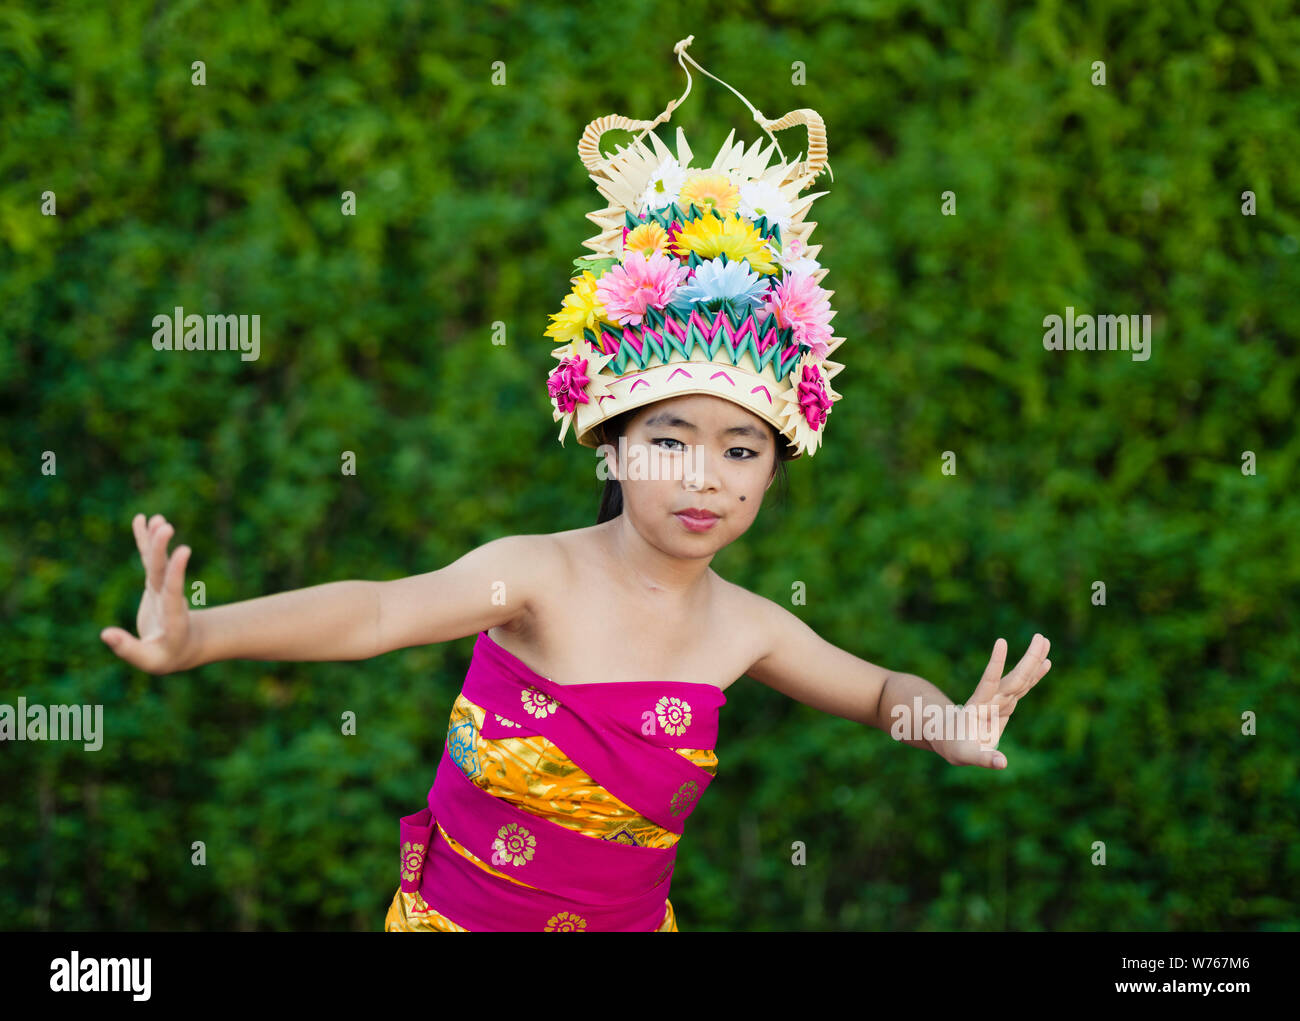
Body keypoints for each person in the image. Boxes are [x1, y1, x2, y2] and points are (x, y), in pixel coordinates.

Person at [100, 39, 1052, 931]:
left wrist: (944, 722)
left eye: (740, 451)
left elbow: (881, 690)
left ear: (773, 468)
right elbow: (379, 612)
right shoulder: (536, 577)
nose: (705, 478)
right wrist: (200, 636)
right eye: (670, 440)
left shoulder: (747, 628)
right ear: (613, 443)